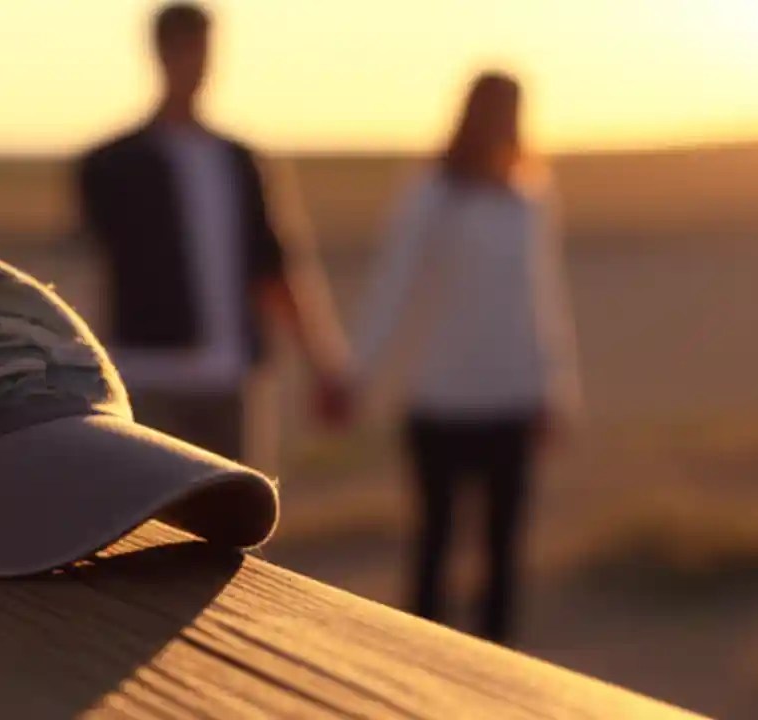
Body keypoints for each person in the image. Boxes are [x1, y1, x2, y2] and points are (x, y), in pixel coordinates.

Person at [352, 72, 581, 644]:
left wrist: (555, 389)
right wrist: (357, 373)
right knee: (434, 549)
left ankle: (492, 685)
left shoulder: (529, 196)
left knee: (502, 559)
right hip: (441, 403)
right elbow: (394, 286)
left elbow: (541, 299)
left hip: (512, 403)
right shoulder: (433, 195)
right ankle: (420, 682)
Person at [77, 2, 349, 466]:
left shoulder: (239, 162)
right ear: (160, 53)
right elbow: (88, 273)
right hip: (149, 375)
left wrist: (322, 362)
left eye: (202, 50)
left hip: (231, 377)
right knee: (152, 527)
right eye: (185, 49)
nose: (195, 63)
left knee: (238, 525)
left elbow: (273, 267)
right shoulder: (111, 165)